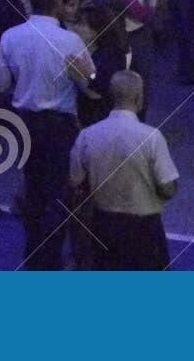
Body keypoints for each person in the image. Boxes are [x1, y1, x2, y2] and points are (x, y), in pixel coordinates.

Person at [0, 0, 94, 270]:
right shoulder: (70, 40)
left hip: (24, 122)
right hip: (59, 125)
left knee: (33, 189)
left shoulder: (11, 37)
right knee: (59, 194)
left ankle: (32, 254)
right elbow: (87, 80)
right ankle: (48, 259)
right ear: (57, 2)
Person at [69, 70, 178, 270]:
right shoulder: (152, 137)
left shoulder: (87, 135)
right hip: (144, 229)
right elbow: (168, 188)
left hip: (103, 225)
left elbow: (76, 181)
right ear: (138, 97)